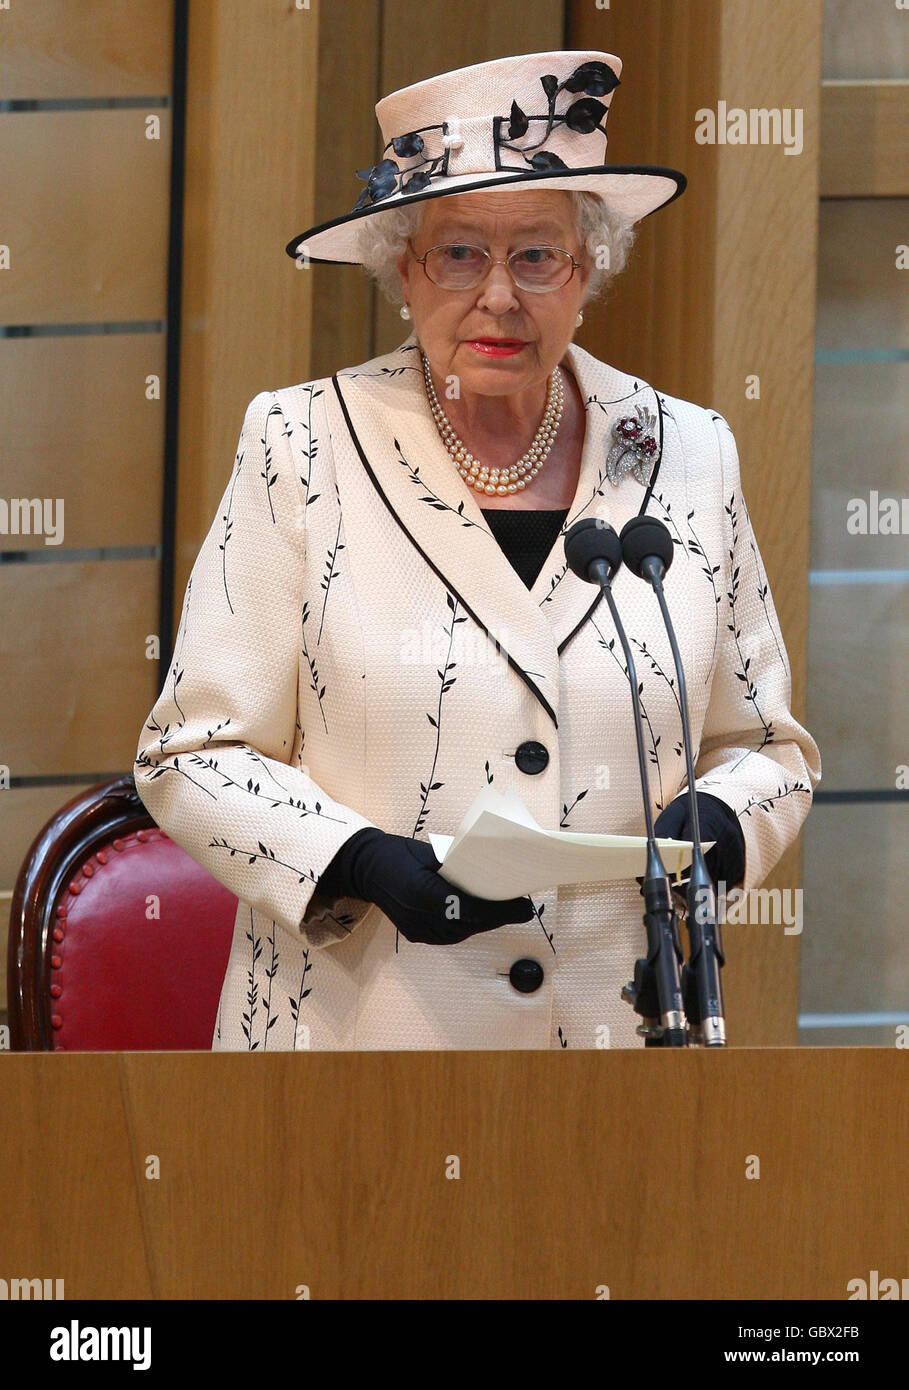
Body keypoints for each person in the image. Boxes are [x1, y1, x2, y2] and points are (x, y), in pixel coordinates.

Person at [133, 50, 821, 1050]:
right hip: (361, 1050)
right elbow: (192, 752)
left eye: (537, 256)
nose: (499, 295)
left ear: (586, 270)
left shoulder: (689, 452)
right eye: (459, 254)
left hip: (620, 1052)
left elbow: (765, 748)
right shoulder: (302, 444)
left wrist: (722, 824)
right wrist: (358, 859)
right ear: (402, 269)